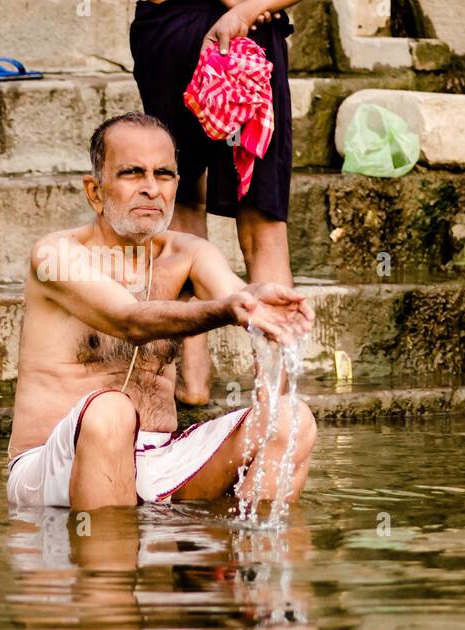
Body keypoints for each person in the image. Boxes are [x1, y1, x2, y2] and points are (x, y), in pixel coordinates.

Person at [6, 112, 317, 511]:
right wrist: (229, 309)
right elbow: (129, 320)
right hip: (51, 464)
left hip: (159, 456)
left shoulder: (187, 254)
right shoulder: (56, 256)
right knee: (111, 410)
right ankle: (110, 569)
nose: (151, 189)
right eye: (133, 174)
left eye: (164, 175)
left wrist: (264, 305)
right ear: (95, 192)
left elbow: (238, 296)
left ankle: (239, 563)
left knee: (292, 419)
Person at [130, 0, 307, 405]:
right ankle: (275, 403)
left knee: (183, 204)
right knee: (261, 222)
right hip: (240, 38)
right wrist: (247, 9)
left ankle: (192, 382)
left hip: (170, 31)